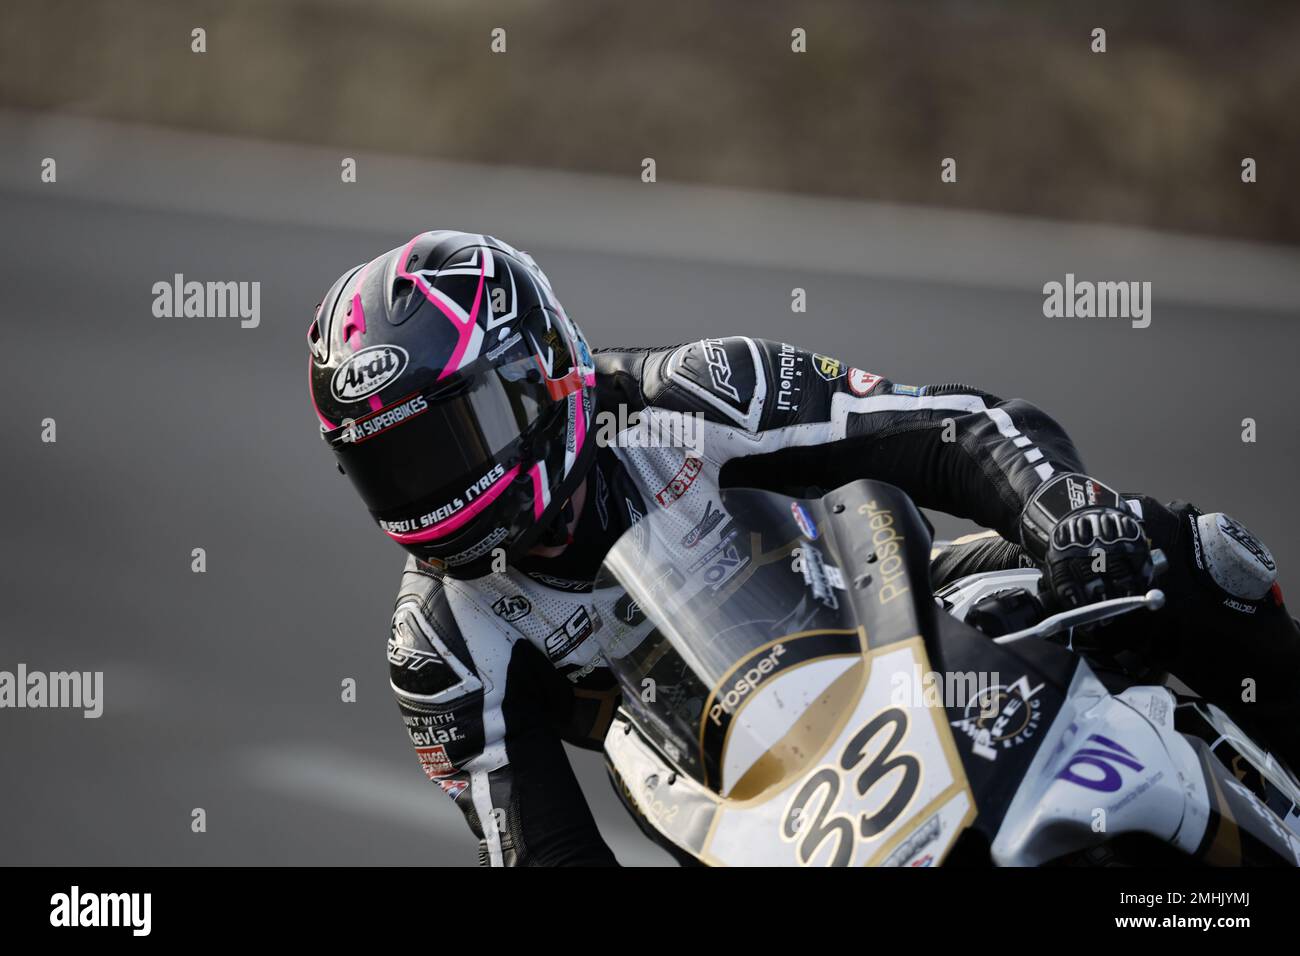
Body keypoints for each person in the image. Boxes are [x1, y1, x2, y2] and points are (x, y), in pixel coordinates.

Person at [307, 229, 1299, 866]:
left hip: (892, 624)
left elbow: (953, 428)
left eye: (450, 440)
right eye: (392, 467)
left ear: (540, 374)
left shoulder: (696, 394)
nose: (431, 492)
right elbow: (541, 850)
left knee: (1191, 554)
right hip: (746, 817)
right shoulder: (439, 649)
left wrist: (1064, 510)